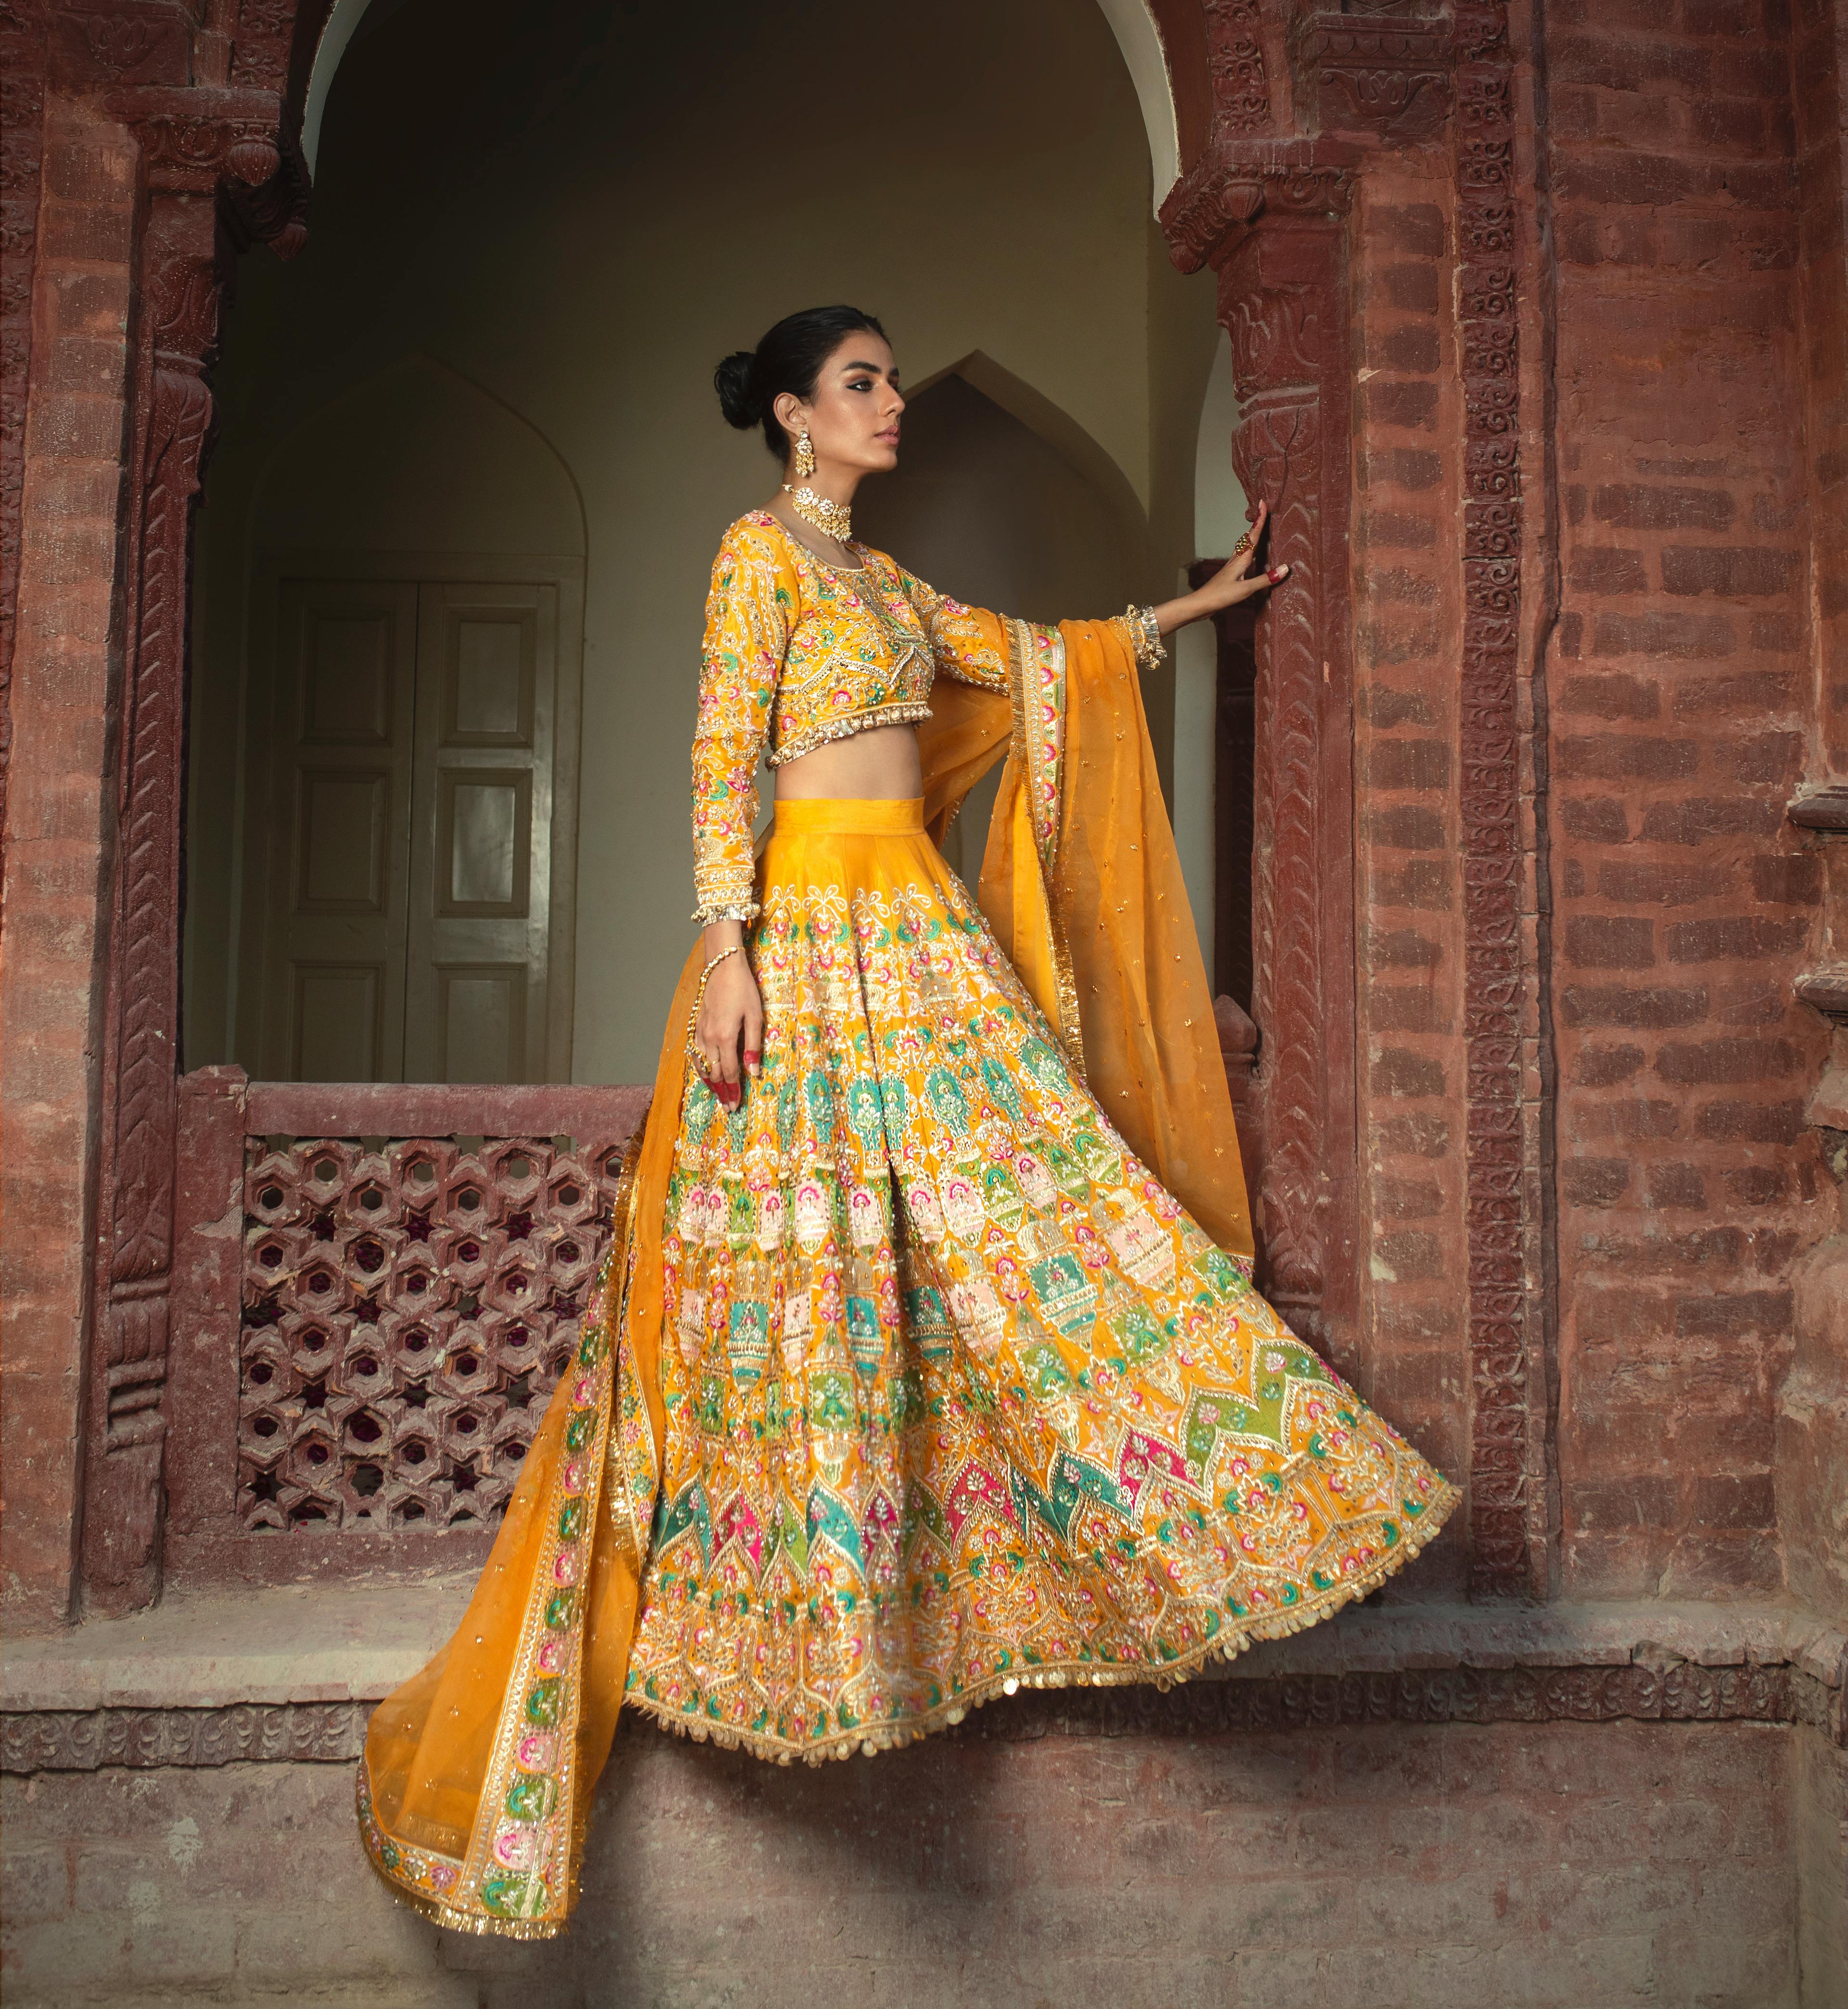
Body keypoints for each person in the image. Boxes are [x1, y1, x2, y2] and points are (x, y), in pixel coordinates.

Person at [359, 306, 1455, 1936]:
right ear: (797, 415)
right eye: (861, 384)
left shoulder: (884, 583)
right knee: (806, 1288)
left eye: (886, 382)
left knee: (1044, 1225)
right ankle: (795, 1626)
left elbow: (1026, 660)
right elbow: (724, 744)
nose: (889, 406)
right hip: (801, 940)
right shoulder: (761, 560)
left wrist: (1184, 615)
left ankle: (1068, 1565)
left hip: (923, 930)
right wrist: (724, 952)